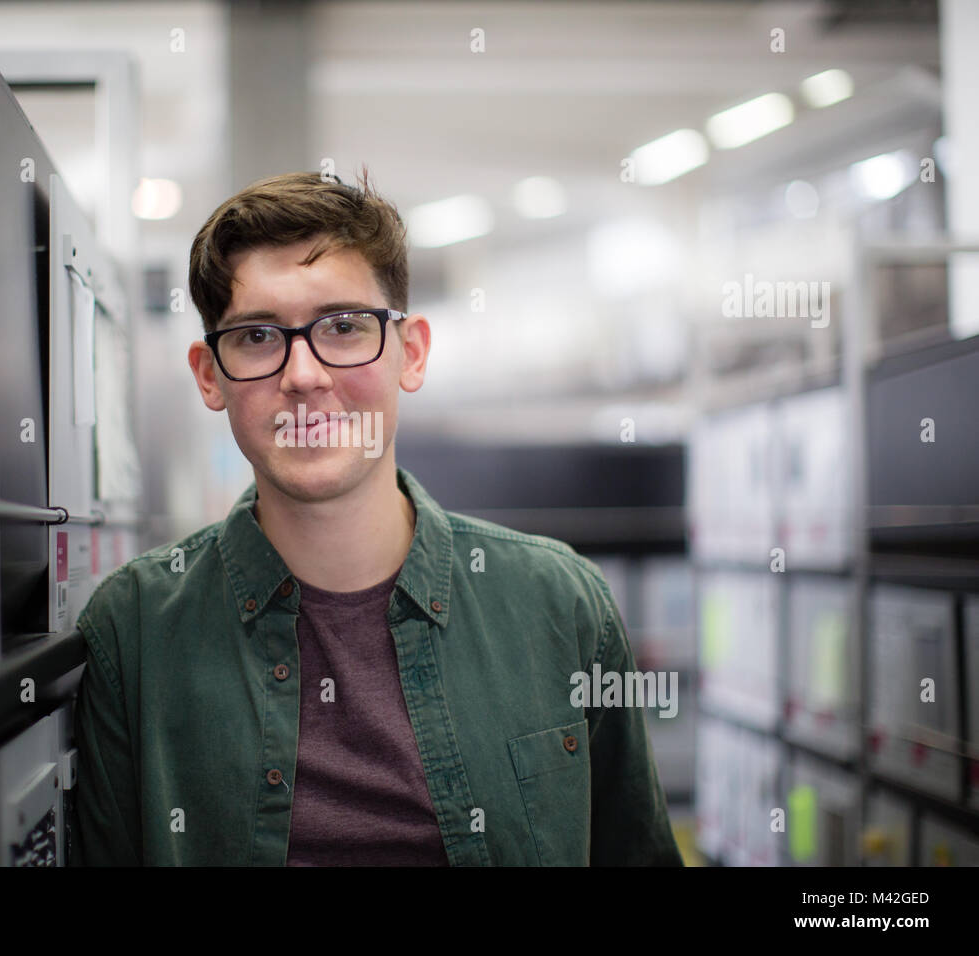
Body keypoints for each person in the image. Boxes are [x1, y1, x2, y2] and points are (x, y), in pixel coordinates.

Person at [70, 169, 683, 866]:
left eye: (344, 326)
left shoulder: (560, 606)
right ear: (209, 374)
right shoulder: (135, 634)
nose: (302, 374)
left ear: (411, 352)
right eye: (257, 337)